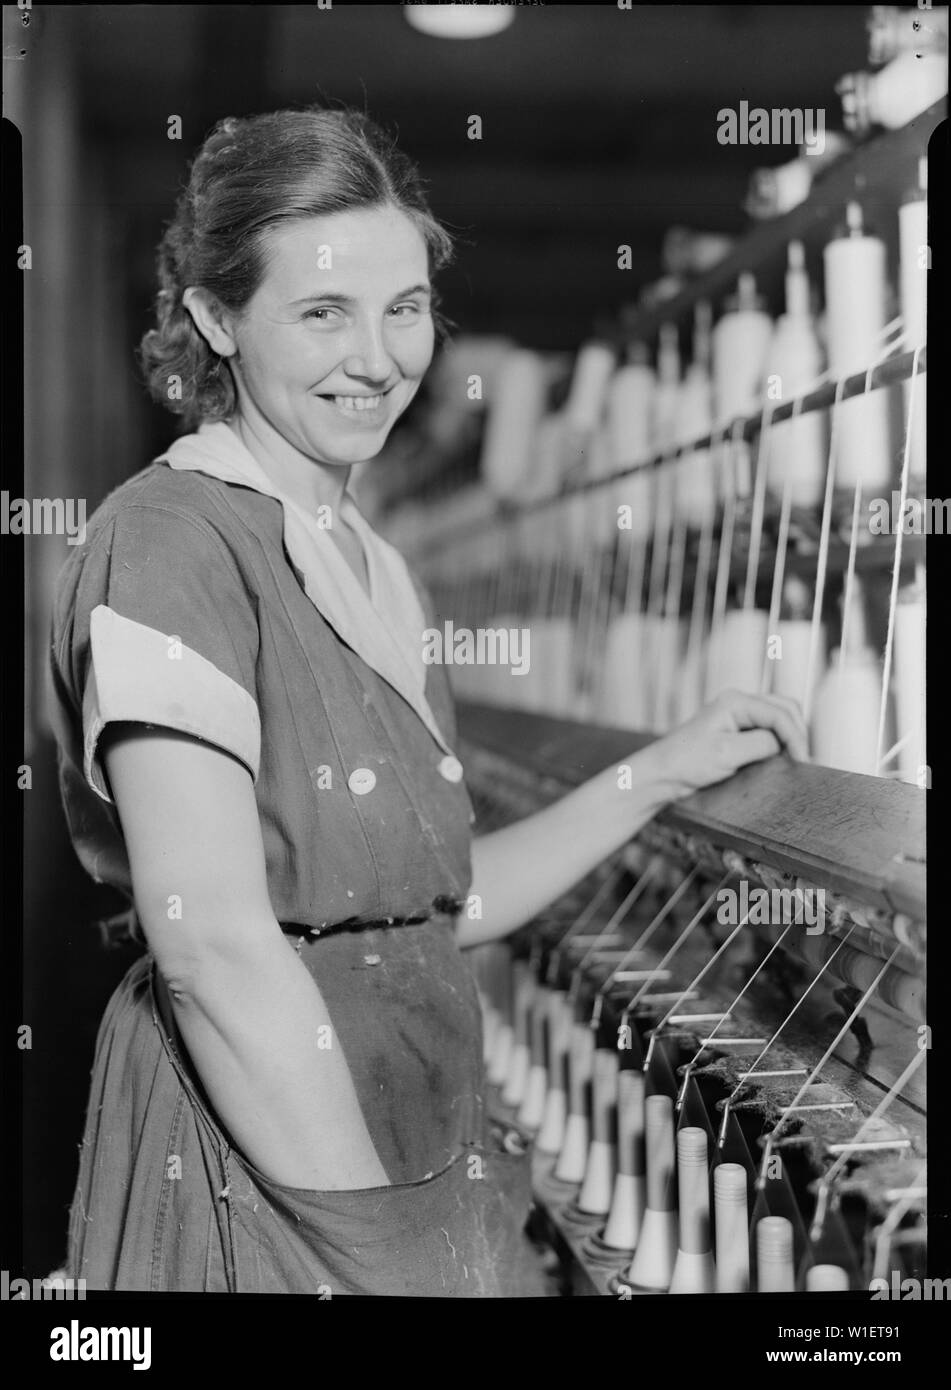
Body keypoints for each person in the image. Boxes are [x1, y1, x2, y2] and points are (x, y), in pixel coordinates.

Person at [48, 105, 808, 1296]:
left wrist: (659, 768)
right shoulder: (170, 541)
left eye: (404, 309)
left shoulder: (371, 559)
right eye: (322, 313)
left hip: (407, 1126)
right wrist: (378, 1244)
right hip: (273, 1150)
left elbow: (438, 904)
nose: (378, 357)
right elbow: (211, 948)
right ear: (214, 317)